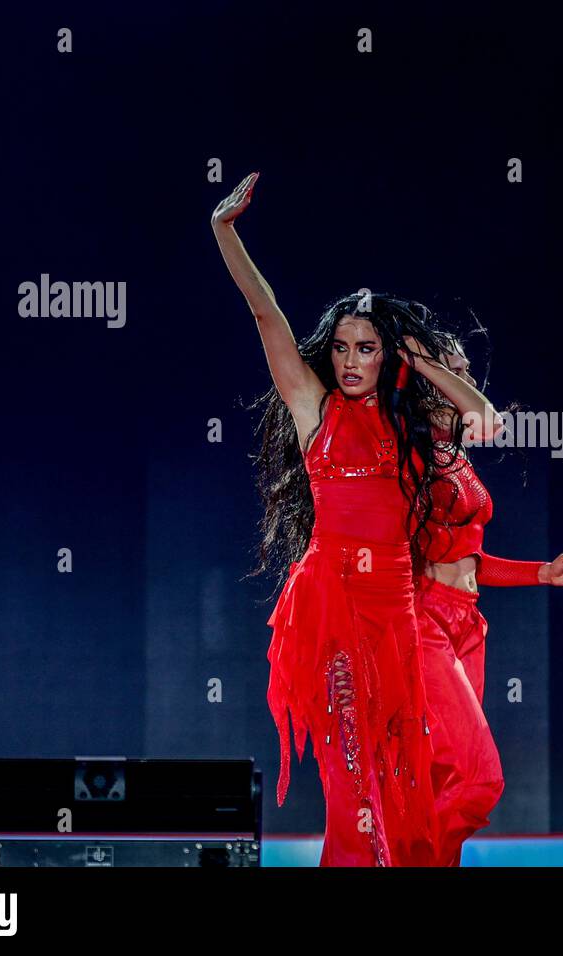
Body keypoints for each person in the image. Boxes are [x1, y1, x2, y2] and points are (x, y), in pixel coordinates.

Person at [211, 172, 503, 865]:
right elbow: (266, 315)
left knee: (405, 772)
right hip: (332, 604)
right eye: (340, 347)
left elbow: (482, 419)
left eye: (366, 349)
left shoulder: (410, 432)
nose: (348, 361)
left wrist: (422, 360)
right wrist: (225, 232)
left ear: (387, 355)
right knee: (354, 785)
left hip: (396, 608)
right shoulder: (315, 410)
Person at [414, 334, 563, 865]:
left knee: (446, 778)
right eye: (455, 371)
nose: (470, 383)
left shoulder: (457, 456)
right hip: (426, 623)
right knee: (478, 779)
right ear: (428, 379)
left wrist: (543, 572)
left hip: (467, 624)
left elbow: (473, 562)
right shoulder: (409, 455)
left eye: (471, 372)